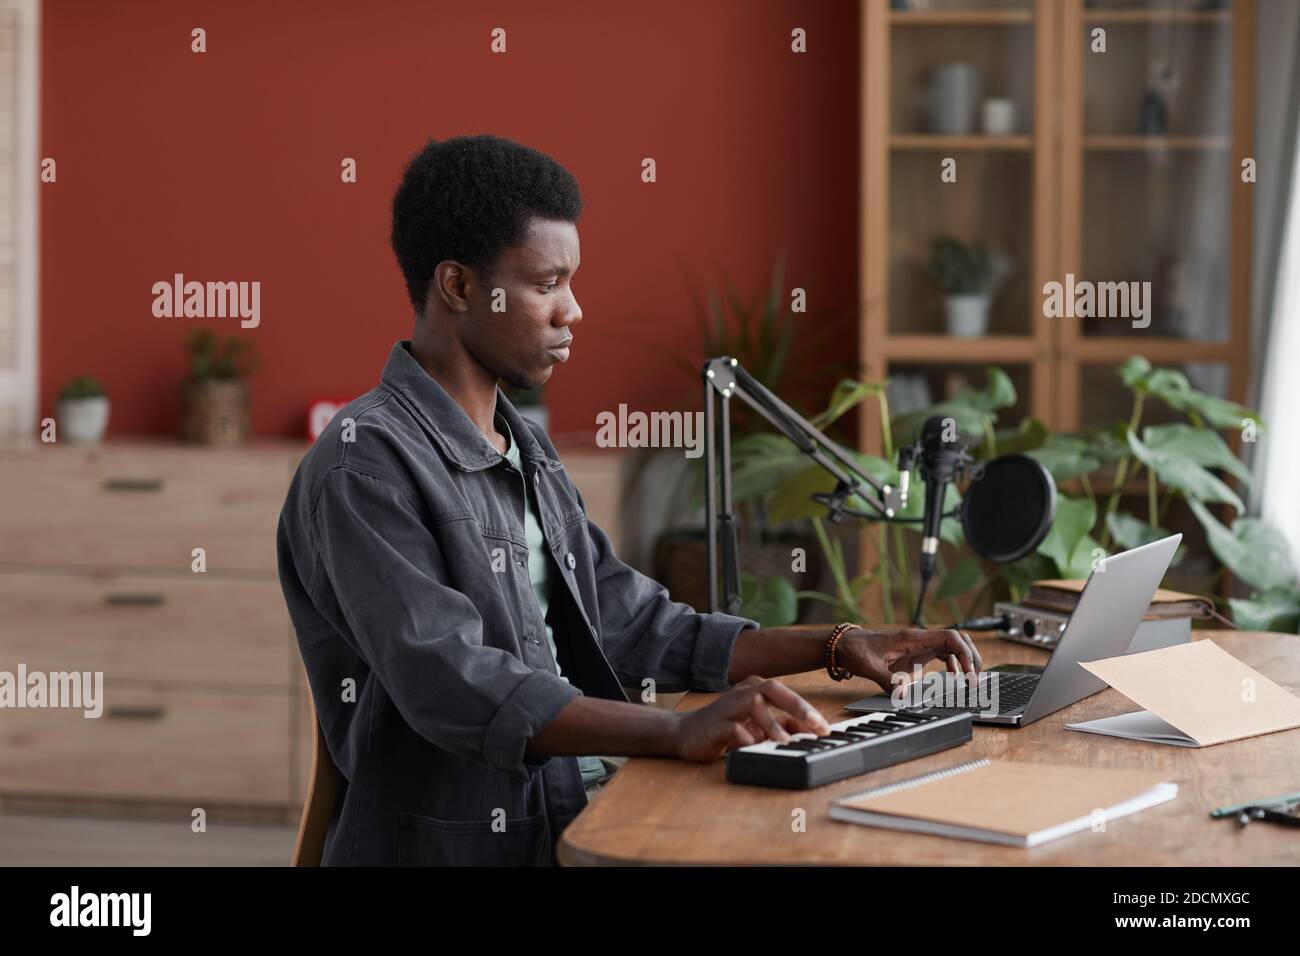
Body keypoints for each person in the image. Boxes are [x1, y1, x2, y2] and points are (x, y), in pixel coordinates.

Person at [276, 134, 981, 866]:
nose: (572, 310)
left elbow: (634, 624)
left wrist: (836, 644)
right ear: (458, 287)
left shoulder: (526, 450)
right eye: (547, 284)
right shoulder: (364, 467)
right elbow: (454, 683)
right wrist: (674, 731)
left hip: (576, 810)